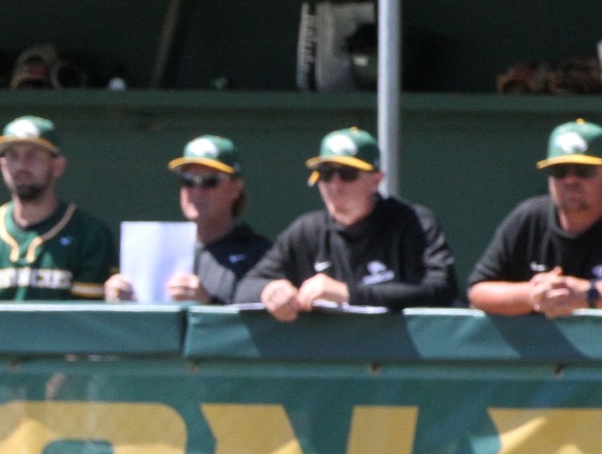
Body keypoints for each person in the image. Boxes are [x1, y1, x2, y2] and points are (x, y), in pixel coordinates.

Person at [238, 127, 457, 318]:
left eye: (347, 173)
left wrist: (348, 294)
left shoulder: (412, 223)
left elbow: (441, 289)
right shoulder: (307, 231)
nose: (335, 185)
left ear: (376, 180)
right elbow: (244, 289)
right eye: (325, 174)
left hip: (397, 358)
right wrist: (270, 290)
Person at [0, 116, 120, 303]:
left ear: (57, 166)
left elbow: (86, 321)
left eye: (34, 155)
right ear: (2, 166)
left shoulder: (89, 233)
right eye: (13, 155)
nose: (21, 165)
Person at [468, 119, 602, 318]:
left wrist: (588, 294)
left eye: (584, 171)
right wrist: (534, 295)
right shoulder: (529, 217)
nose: (570, 180)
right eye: (559, 171)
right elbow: (478, 292)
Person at [161, 135, 271, 304]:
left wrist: (208, 304)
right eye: (188, 180)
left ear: (236, 189)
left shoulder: (260, 255)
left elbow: (261, 325)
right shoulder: (161, 249)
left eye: (209, 181)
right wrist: (123, 300)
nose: (196, 191)